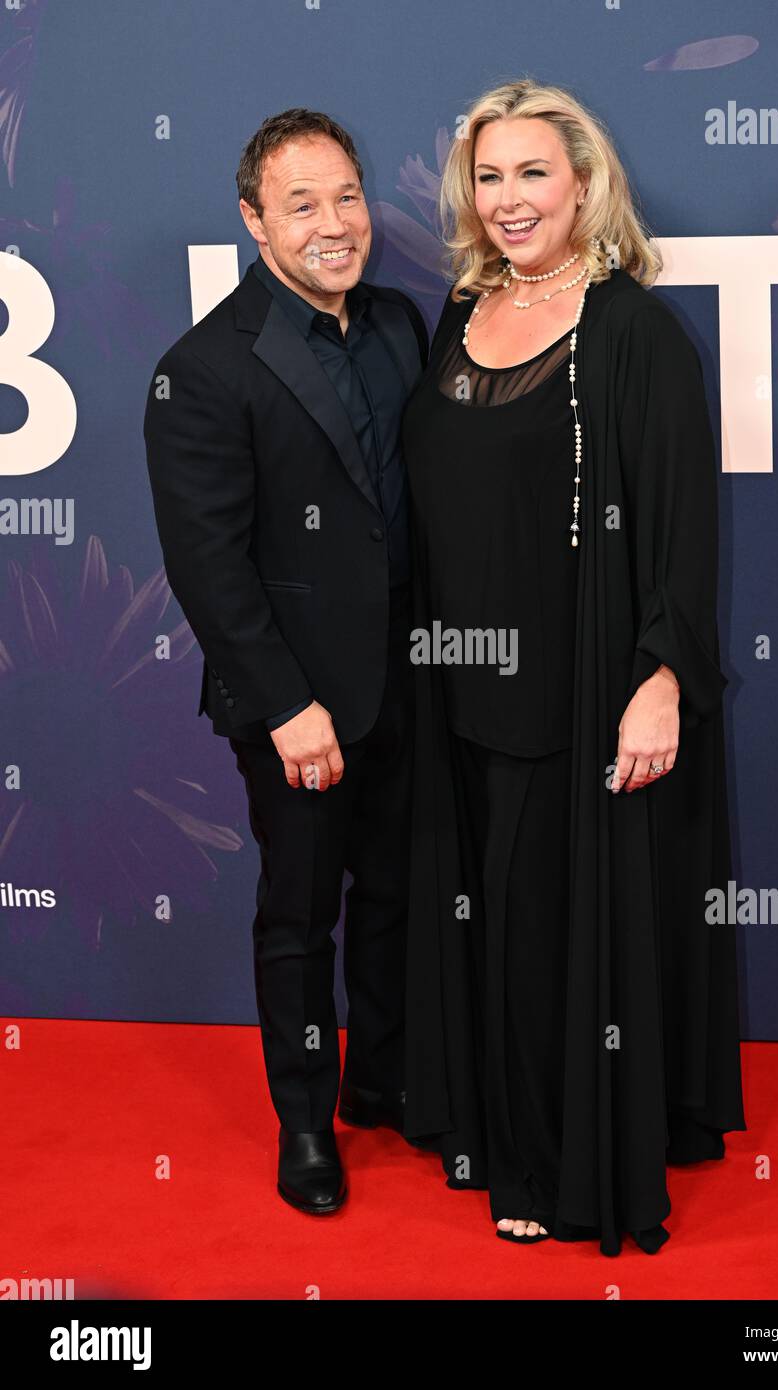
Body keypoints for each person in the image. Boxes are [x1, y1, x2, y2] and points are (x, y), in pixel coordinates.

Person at [401, 79, 747, 1255]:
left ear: (585, 185)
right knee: (488, 921)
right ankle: (487, 1125)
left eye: (531, 174)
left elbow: (678, 524)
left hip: (581, 686)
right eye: (487, 176)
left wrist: (661, 674)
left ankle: (555, 1163)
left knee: (550, 932)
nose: (507, 200)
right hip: (456, 687)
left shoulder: (634, 329)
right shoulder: (456, 314)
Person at [143, 108, 428, 1217]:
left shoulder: (402, 323)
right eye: (300, 203)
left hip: (415, 673)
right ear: (255, 222)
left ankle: (381, 1079)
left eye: (346, 196)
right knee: (302, 914)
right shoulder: (203, 369)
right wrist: (287, 705)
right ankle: (305, 1122)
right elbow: (208, 566)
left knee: (404, 893)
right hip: (295, 701)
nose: (333, 222)